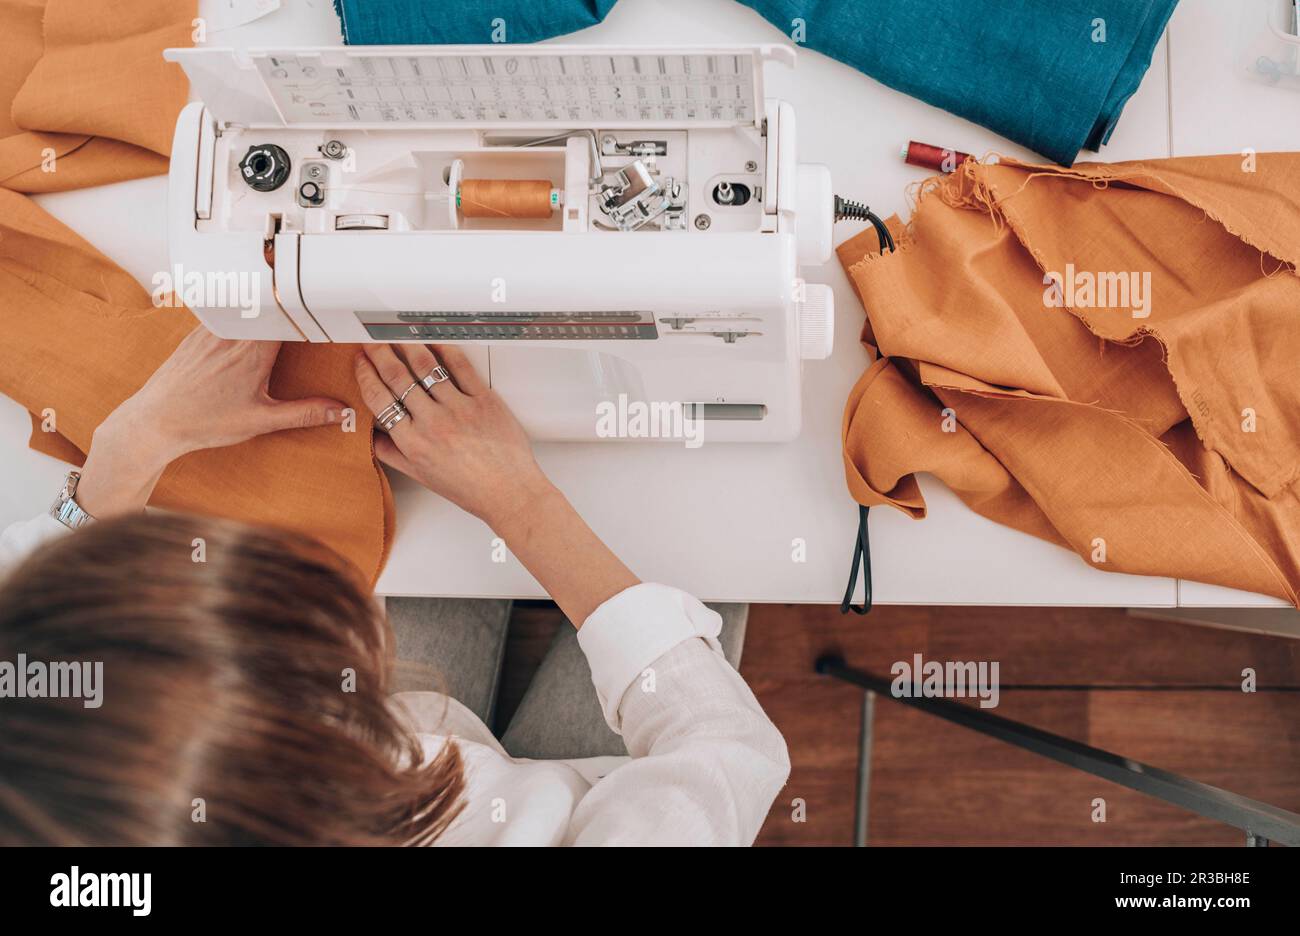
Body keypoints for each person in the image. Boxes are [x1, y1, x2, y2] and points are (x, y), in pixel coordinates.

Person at [0, 327, 789, 845]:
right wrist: (519, 503)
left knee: (408, 514)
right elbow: (725, 749)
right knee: (701, 530)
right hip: (574, 806)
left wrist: (129, 451)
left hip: (405, 753)